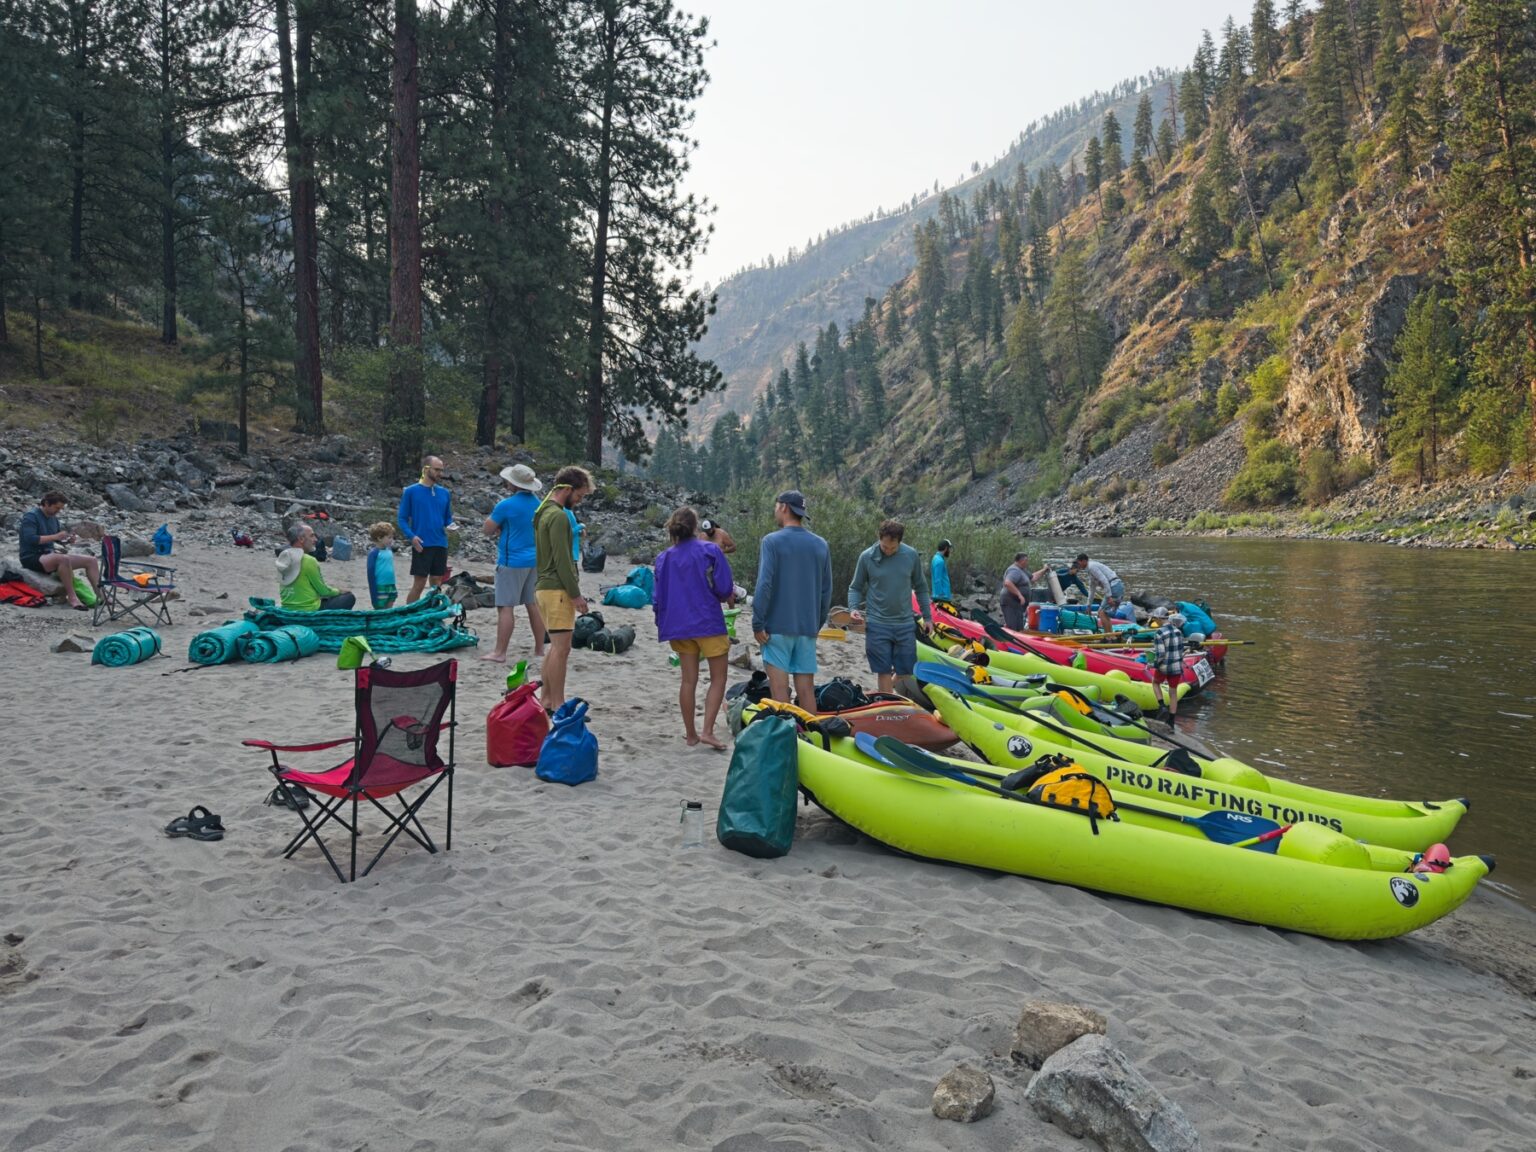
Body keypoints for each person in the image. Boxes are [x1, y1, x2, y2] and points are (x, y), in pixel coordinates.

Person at [653, 507, 735, 750]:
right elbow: (723, 587)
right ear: (695, 527)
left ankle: (691, 735)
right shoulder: (709, 550)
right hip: (708, 621)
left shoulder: (663, 558)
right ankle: (708, 731)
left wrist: (661, 621)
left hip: (678, 625)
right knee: (718, 678)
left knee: (688, 680)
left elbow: (657, 598)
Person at [751, 490, 832, 709]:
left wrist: (758, 622)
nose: (775, 510)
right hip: (807, 628)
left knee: (780, 691)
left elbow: (764, 584)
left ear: (784, 507)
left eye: (776, 506)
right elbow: (826, 591)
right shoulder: (820, 544)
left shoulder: (771, 541)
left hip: (776, 628)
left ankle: (788, 739)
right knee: (807, 691)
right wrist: (817, 623)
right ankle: (811, 738)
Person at [848, 520, 933, 695]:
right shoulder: (866, 557)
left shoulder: (910, 556)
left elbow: (921, 587)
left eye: (892, 548)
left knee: (907, 670)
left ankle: (886, 691)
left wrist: (928, 617)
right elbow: (855, 587)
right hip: (877, 622)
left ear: (900, 542)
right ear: (879, 538)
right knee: (883, 670)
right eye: (885, 547)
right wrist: (853, 608)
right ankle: (886, 701)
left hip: (904, 622)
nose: (888, 551)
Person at [534, 466, 593, 713]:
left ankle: (546, 698)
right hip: (557, 590)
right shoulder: (557, 516)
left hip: (544, 589)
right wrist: (575, 594)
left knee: (555, 647)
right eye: (579, 495)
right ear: (567, 489)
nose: (579, 501)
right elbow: (563, 560)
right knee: (562, 648)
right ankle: (557, 704)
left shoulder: (542, 511)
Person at [482, 463, 546, 664]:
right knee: (533, 604)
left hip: (512, 561)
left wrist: (500, 525)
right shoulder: (540, 504)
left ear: (513, 483)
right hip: (535, 560)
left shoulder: (506, 505)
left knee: (505, 606)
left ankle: (500, 652)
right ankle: (539, 649)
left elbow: (487, 529)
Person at [18, 492, 99, 610]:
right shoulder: (31, 516)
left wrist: (67, 540)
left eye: (60, 509)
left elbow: (54, 539)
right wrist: (56, 536)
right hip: (31, 557)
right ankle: (73, 597)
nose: (58, 511)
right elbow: (31, 539)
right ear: (46, 503)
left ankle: (101, 595)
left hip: (48, 555)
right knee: (63, 558)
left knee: (91, 560)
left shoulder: (53, 519)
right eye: (56, 508)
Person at [398, 455, 455, 604]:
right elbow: (402, 518)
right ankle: (409, 615)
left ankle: (432, 614)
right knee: (419, 583)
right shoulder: (411, 491)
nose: (440, 474)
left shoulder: (444, 493)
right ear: (426, 469)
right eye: (437, 470)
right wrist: (412, 537)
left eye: (441, 470)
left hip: (441, 543)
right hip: (422, 543)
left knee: (436, 583)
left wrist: (451, 525)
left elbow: (447, 518)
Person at [277, 523, 355, 610]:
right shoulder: (308, 560)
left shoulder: (283, 557)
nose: (315, 539)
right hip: (308, 610)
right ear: (301, 539)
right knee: (349, 597)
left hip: (287, 608)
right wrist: (339, 591)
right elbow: (323, 591)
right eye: (312, 536)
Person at [1149, 607, 1186, 720]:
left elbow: (1160, 654)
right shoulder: (1178, 631)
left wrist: (1154, 664)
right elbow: (1181, 650)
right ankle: (1171, 721)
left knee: (1155, 683)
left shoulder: (1159, 632)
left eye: (1155, 619)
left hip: (1164, 666)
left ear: (1160, 619)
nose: (1155, 621)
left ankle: (1162, 706)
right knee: (1173, 692)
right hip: (1176, 667)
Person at [997, 551, 1049, 633]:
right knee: (1012, 627)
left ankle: (1017, 640)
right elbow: (1008, 583)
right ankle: (1008, 641)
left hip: (1017, 604)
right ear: (1022, 561)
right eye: (1027, 561)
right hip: (1010, 602)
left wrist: (1044, 570)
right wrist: (1019, 595)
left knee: (1019, 627)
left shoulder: (1022, 570)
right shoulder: (1014, 570)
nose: (1027, 562)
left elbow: (1033, 577)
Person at [365, 522, 398, 610]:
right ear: (379, 538)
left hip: (391, 584)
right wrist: (373, 594)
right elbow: (370, 573)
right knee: (380, 608)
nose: (392, 540)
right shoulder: (374, 553)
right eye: (389, 537)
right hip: (380, 586)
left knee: (390, 607)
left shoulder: (389, 550)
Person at [930, 539, 953, 603]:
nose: (949, 551)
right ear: (946, 548)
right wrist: (940, 596)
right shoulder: (939, 561)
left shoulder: (936, 558)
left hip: (940, 596)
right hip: (942, 597)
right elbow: (937, 579)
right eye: (949, 549)